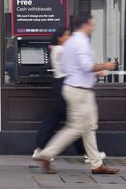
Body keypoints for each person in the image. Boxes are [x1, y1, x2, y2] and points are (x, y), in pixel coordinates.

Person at [35, 14, 119, 175]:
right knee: (77, 128)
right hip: (80, 91)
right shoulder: (81, 42)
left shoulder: (71, 42)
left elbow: (67, 67)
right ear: (85, 25)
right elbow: (86, 66)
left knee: (88, 127)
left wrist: (91, 73)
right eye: (92, 24)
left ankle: (96, 164)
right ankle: (45, 154)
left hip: (73, 87)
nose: (93, 27)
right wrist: (105, 66)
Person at [33, 28, 87, 165]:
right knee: (71, 119)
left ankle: (86, 152)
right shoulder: (60, 50)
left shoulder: (58, 49)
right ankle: (86, 152)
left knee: (67, 119)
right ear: (60, 38)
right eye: (67, 35)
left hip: (62, 84)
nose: (69, 38)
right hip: (63, 84)